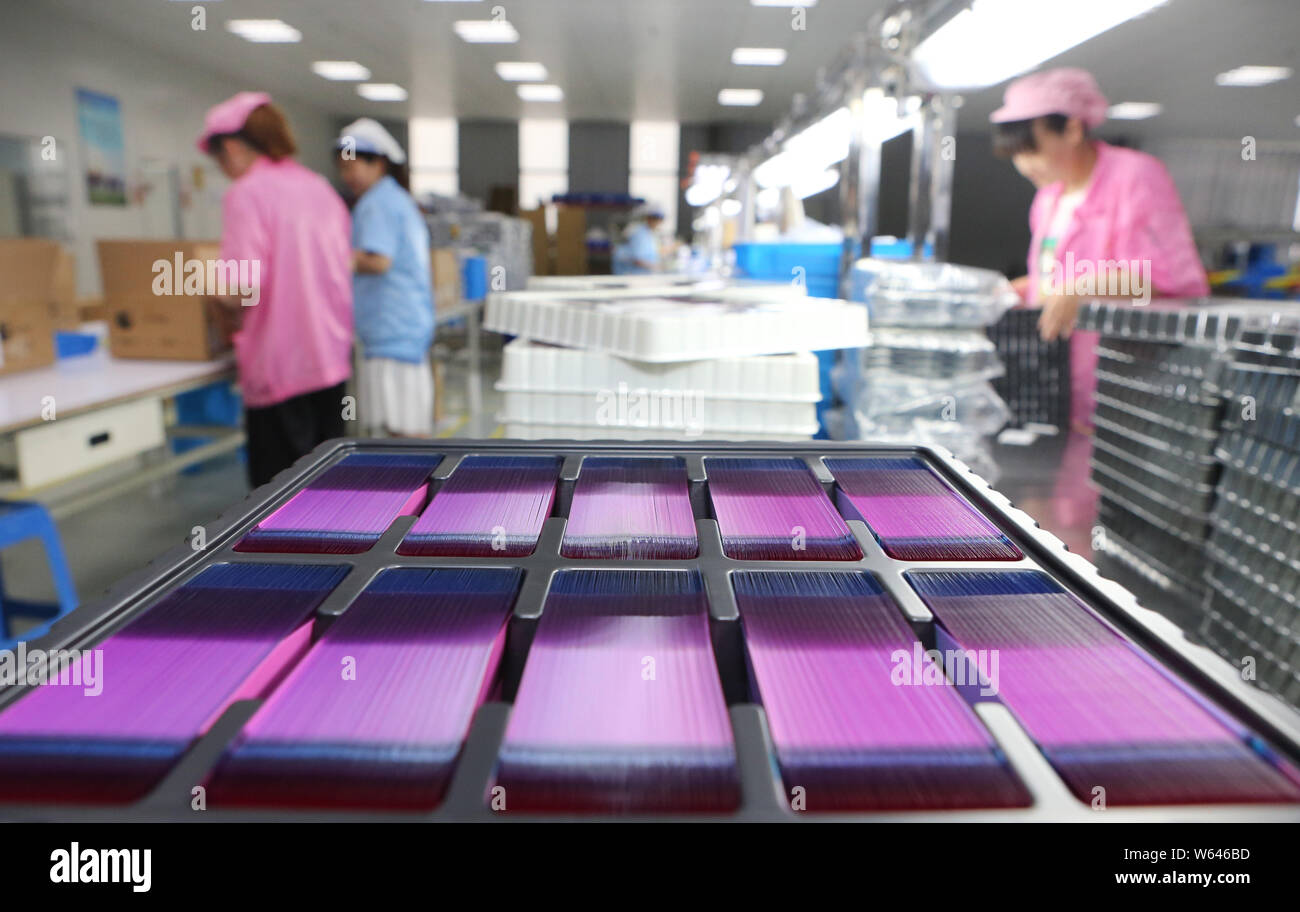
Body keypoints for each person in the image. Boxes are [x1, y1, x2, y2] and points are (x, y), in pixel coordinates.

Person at [990, 68, 1208, 432]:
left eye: (1033, 150)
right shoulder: (1048, 199)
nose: (1024, 165)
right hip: (1057, 375)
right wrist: (1018, 290)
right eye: (1016, 155)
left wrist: (1080, 290)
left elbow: (1164, 280)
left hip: (1123, 376)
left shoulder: (1136, 176)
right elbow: (1057, 277)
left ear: (1073, 130)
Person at [197, 91, 354, 488]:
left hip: (281, 366)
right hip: (330, 358)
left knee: (279, 498)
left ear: (231, 147)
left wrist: (200, 282)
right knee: (328, 485)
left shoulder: (248, 193)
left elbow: (241, 285)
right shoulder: (319, 188)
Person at [335, 118, 435, 437]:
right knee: (406, 426)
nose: (347, 176)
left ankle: (411, 486)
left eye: (352, 167)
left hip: (391, 328)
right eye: (342, 168)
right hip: (402, 327)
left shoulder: (377, 204)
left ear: (377, 164)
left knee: (398, 430)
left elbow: (378, 262)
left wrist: (330, 257)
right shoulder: (395, 199)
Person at [615, 205, 665, 274]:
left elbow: (654, 253)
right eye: (654, 219)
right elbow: (637, 259)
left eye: (659, 219)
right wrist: (657, 267)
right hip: (632, 275)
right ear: (648, 218)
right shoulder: (639, 234)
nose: (657, 222)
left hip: (643, 275)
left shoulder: (649, 233)